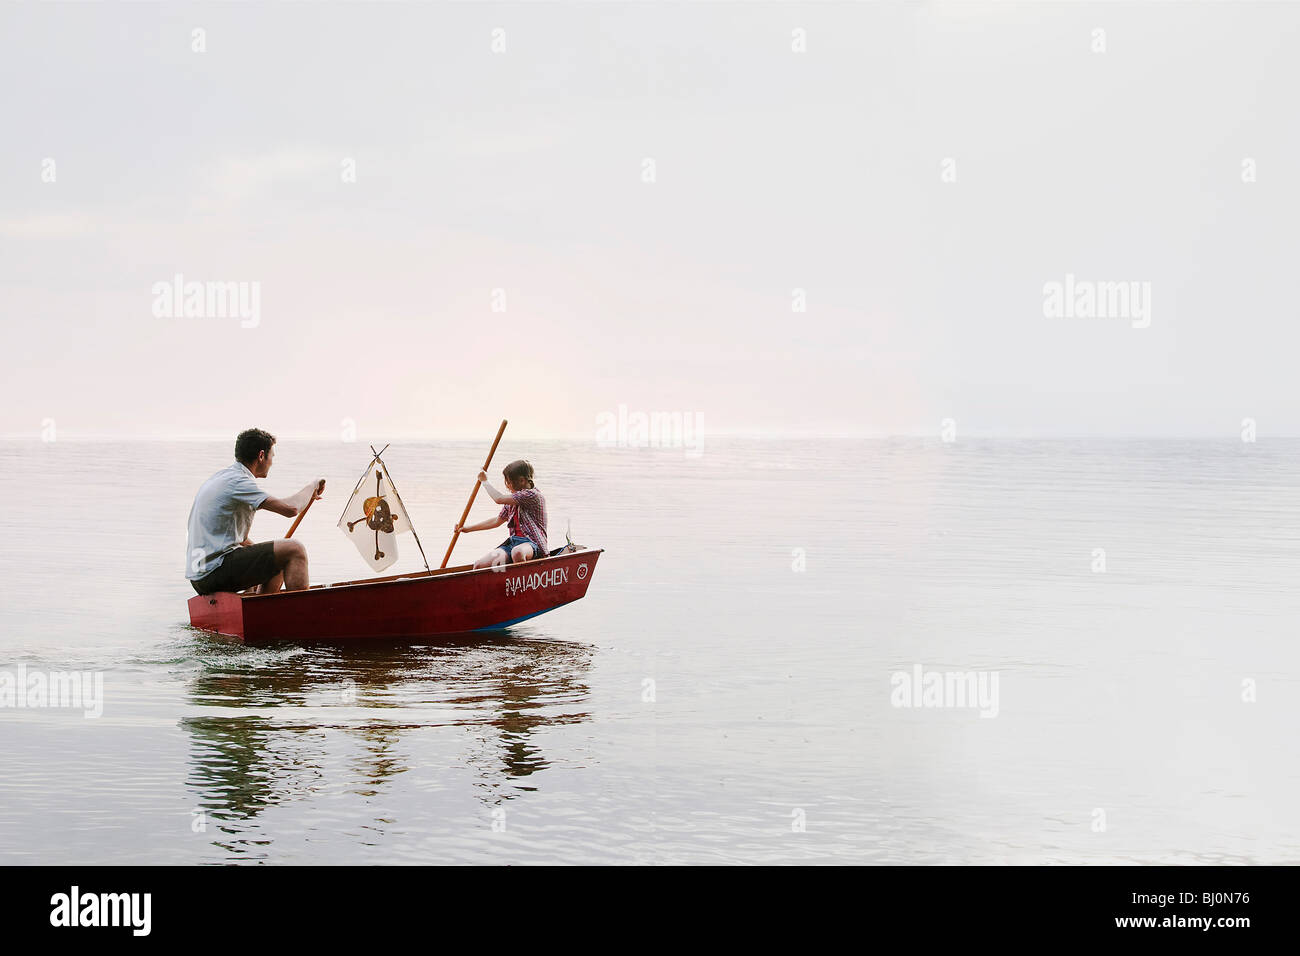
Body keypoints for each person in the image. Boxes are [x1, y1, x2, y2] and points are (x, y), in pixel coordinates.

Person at [186, 428, 325, 595]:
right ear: (261, 456)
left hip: (200, 576)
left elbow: (240, 539)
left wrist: (268, 554)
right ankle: (302, 617)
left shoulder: (222, 477)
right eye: (271, 456)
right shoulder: (239, 481)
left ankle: (261, 614)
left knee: (278, 556)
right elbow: (291, 509)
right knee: (295, 549)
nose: (272, 462)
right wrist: (312, 486)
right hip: (213, 571)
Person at [454, 459, 548, 568]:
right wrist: (467, 529)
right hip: (513, 543)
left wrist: (485, 481)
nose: (507, 486)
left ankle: (521, 582)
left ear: (522, 481)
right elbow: (496, 521)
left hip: (533, 544)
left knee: (517, 553)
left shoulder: (532, 495)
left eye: (508, 482)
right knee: (479, 565)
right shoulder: (512, 501)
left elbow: (498, 499)